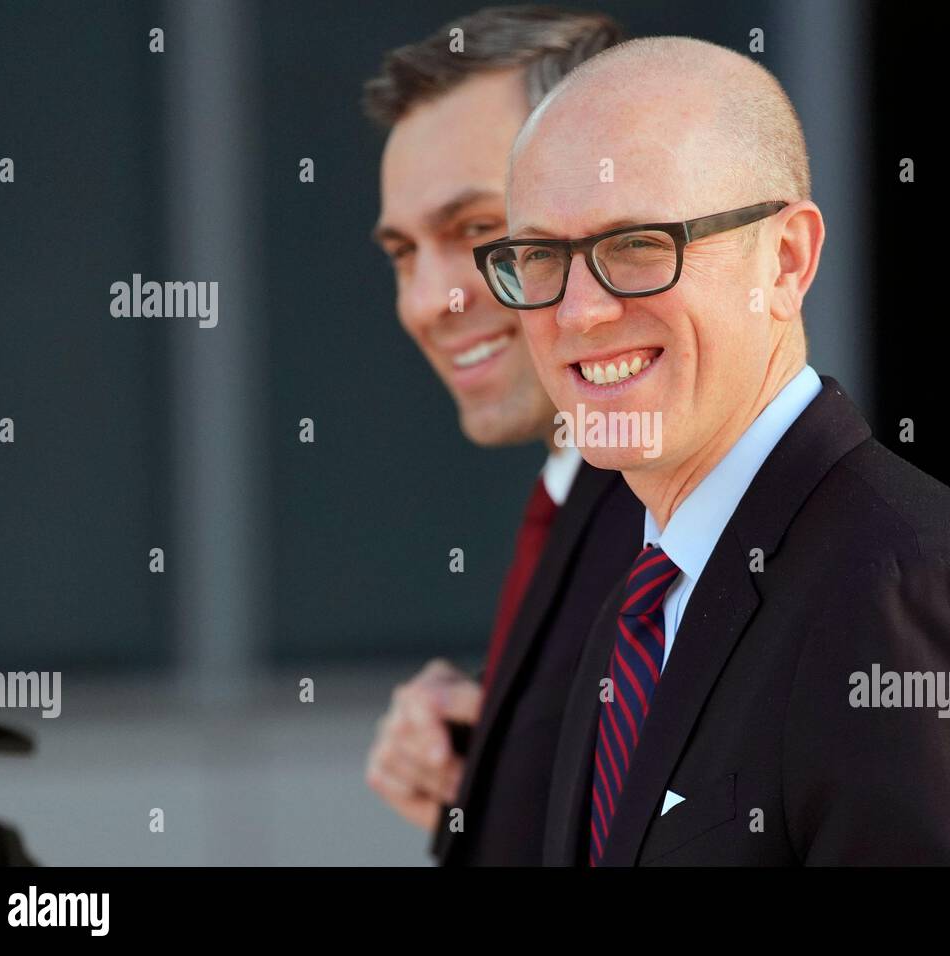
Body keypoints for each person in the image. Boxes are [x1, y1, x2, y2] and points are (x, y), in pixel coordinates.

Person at [483, 35, 950, 865]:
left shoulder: (904, 592)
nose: (577, 312)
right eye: (539, 255)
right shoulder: (642, 592)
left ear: (785, 259)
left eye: (636, 246)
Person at [361, 6, 639, 865]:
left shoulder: (692, 539)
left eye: (478, 231)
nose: (423, 303)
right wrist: (491, 753)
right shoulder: (592, 505)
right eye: (404, 251)